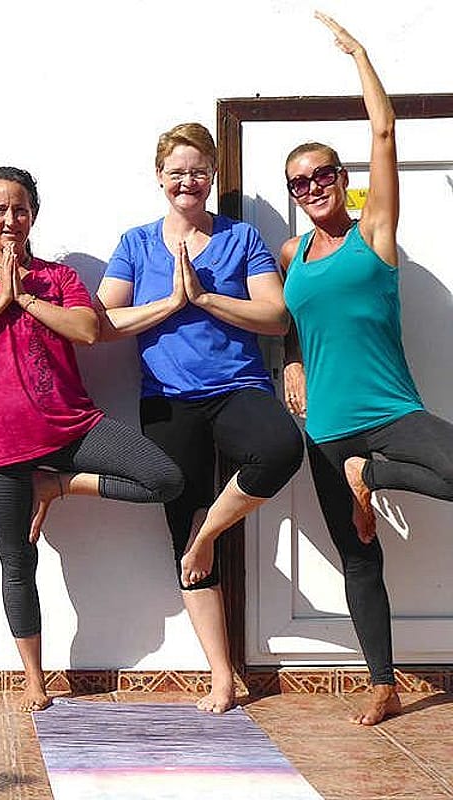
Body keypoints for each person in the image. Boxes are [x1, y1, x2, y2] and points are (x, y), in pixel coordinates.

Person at [0, 166, 184, 712]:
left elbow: (88, 330)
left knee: (165, 477)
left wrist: (25, 299)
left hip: (72, 427)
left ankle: (57, 487)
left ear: (33, 216)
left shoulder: (59, 278)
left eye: (20, 209)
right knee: (17, 561)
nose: (10, 219)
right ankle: (35, 680)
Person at [281, 13, 453, 726]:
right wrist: (289, 359)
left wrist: (360, 54)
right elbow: (291, 322)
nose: (313, 185)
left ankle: (372, 476)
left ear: (343, 181)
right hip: (324, 425)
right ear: (292, 192)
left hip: (389, 410)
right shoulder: (292, 255)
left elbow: (385, 131)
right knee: (359, 556)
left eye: (324, 173)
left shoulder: (373, 233)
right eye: (300, 180)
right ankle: (382, 682)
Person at [96, 123, 303, 713]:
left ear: (212, 176)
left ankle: (207, 537)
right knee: (177, 524)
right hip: (167, 398)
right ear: (159, 177)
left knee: (279, 448)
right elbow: (102, 322)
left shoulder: (242, 238)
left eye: (199, 170)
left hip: (237, 387)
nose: (188, 180)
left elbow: (276, 316)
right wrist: (168, 303)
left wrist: (208, 298)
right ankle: (222, 675)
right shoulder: (136, 243)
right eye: (177, 171)